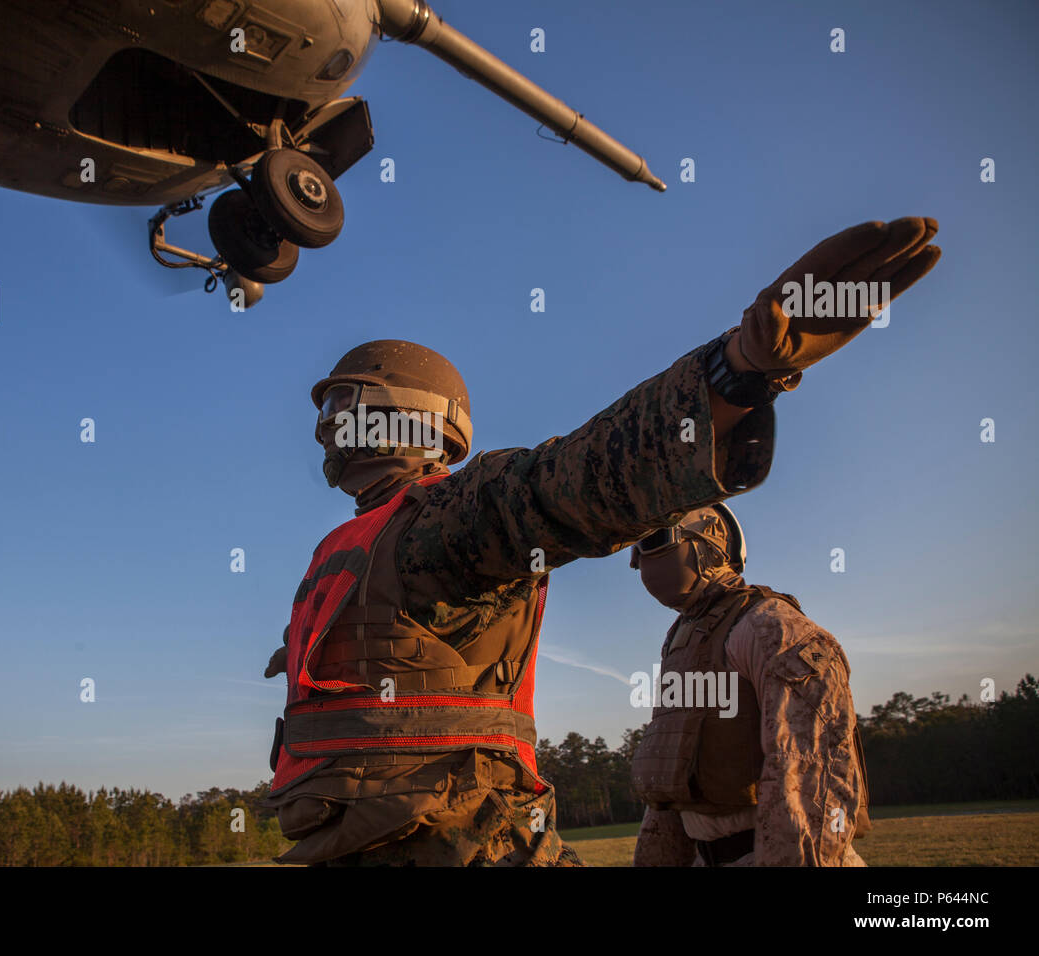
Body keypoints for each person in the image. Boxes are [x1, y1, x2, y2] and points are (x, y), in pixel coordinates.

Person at [261, 218, 939, 866]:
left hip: (470, 845)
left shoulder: (451, 517)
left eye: (341, 406)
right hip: (359, 845)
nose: (325, 429)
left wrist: (737, 374)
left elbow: (581, 478)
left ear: (408, 419)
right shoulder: (348, 550)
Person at [629, 504, 871, 867]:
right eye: (637, 547)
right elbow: (672, 774)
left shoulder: (768, 625)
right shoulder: (680, 639)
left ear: (709, 544)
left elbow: (809, 771)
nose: (642, 559)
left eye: (656, 539)